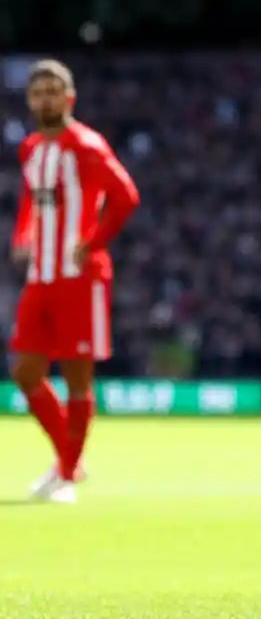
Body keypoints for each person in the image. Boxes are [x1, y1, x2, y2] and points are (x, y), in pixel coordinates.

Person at [13, 59, 141, 504]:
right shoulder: (30, 148)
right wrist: (22, 233)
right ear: (29, 100)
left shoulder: (85, 145)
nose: (45, 99)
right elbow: (32, 196)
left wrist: (94, 243)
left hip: (79, 278)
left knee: (76, 379)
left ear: (70, 98)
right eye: (38, 92)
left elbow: (126, 195)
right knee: (25, 372)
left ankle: (66, 474)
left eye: (53, 91)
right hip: (40, 276)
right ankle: (68, 460)